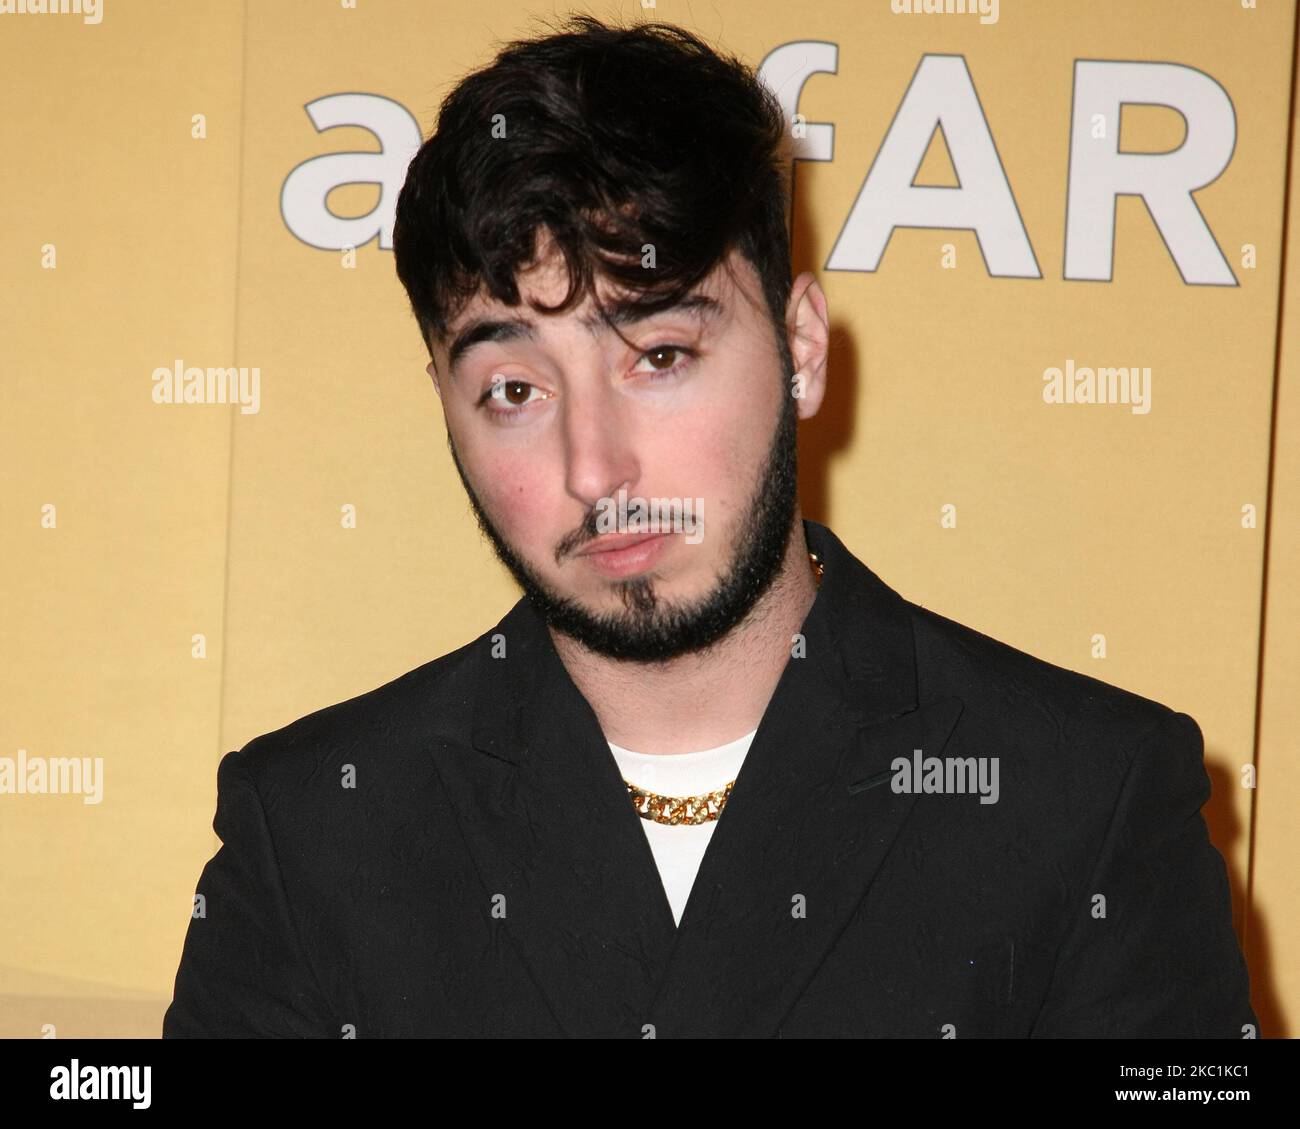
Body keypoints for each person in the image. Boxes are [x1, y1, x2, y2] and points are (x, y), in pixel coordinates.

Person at [163, 15, 1257, 1037]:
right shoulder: (313, 833)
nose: (595, 467)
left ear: (803, 350)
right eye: (512, 389)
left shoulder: (1090, 799)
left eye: (660, 356)